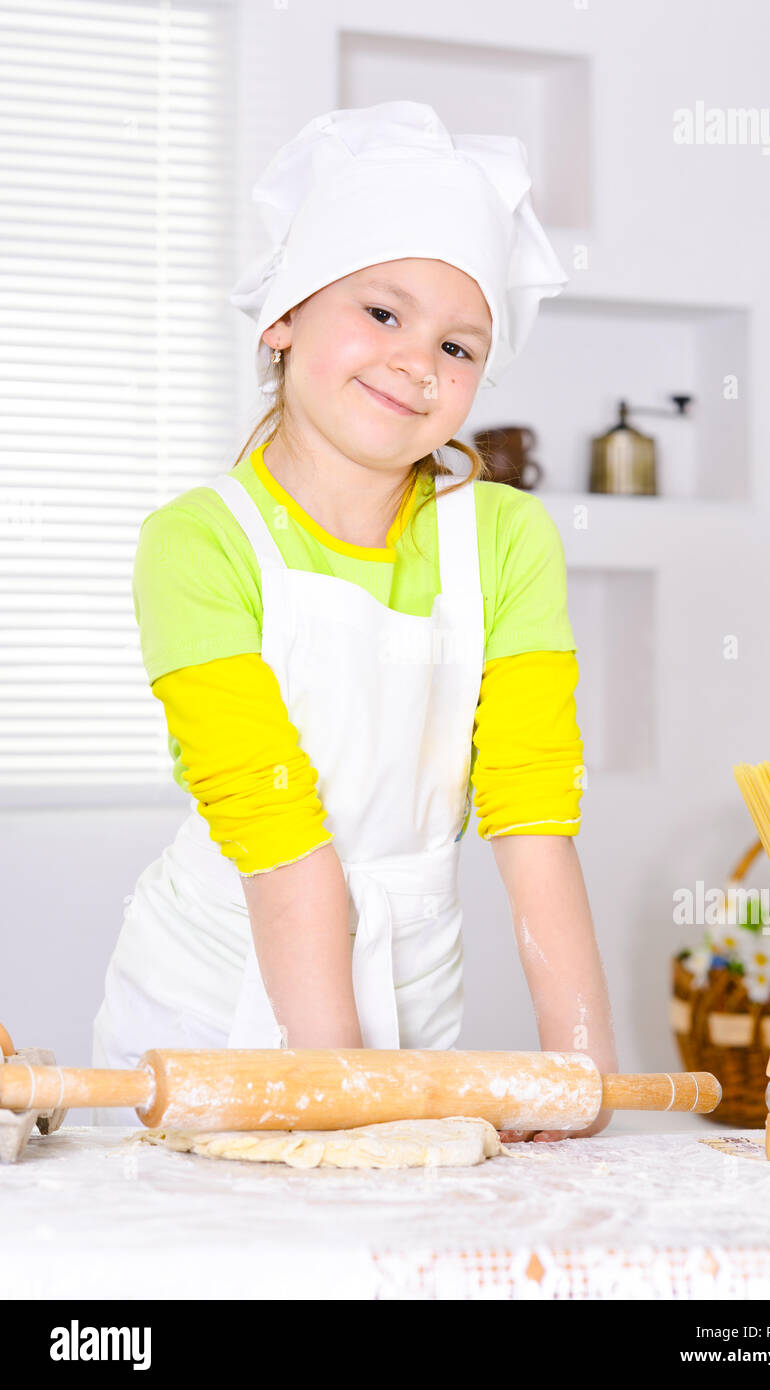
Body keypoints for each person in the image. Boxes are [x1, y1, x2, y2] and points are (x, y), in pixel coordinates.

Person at [92, 100, 618, 1139]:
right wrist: (346, 1105)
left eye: (459, 346)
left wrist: (584, 1071)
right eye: (382, 313)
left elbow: (531, 820)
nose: (419, 362)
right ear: (282, 316)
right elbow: (282, 843)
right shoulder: (198, 543)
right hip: (213, 1003)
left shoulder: (506, 540)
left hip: (411, 1005)